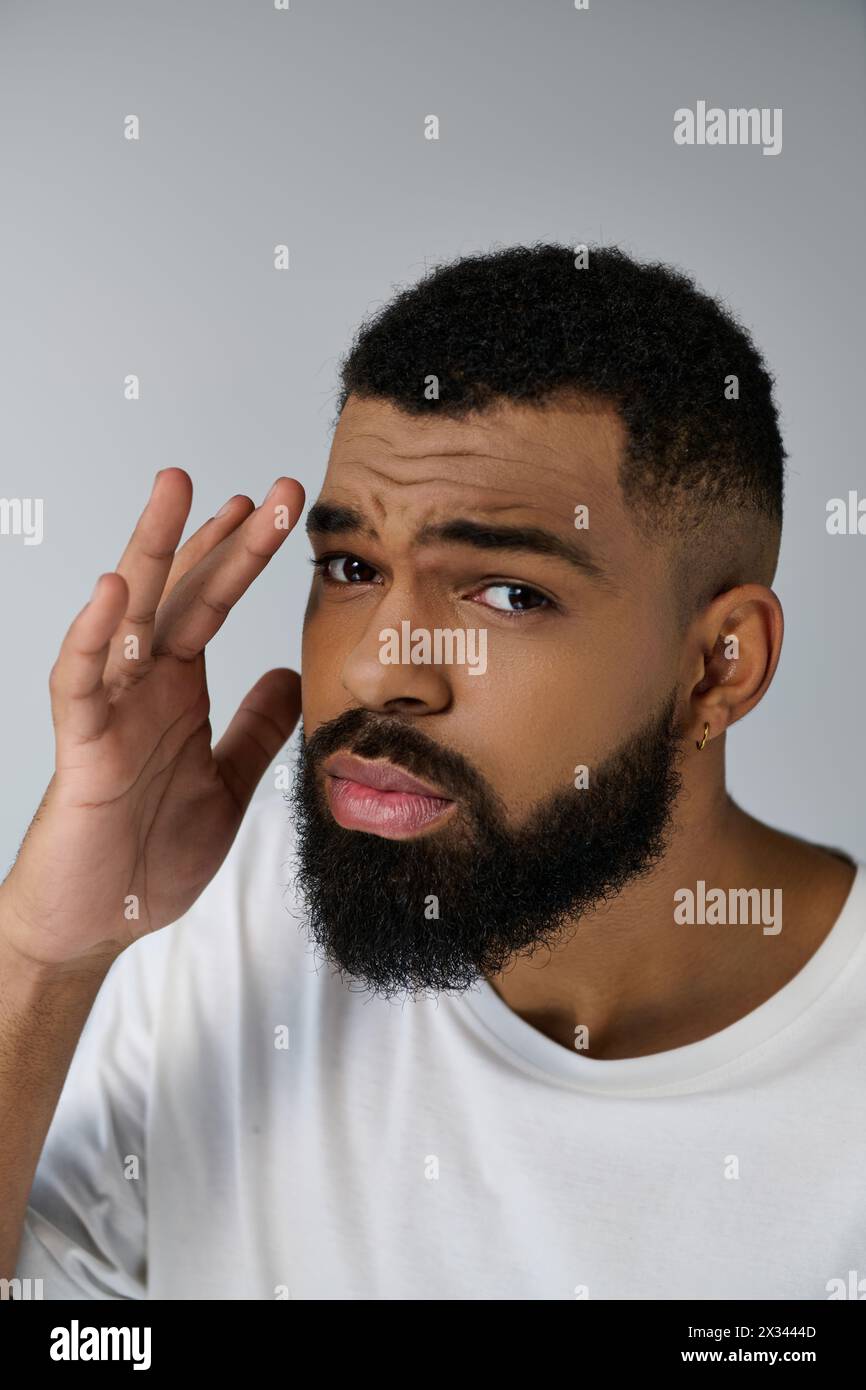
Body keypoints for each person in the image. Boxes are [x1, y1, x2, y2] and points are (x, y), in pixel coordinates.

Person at [2, 244, 862, 1300]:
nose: (378, 669)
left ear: (716, 665)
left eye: (504, 592)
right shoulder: (227, 907)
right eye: (352, 569)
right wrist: (44, 954)